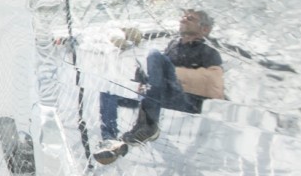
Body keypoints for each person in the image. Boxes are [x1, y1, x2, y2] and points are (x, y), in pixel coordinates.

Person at [94, 9, 225, 165]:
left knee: (154, 54)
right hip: (158, 97)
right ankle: (110, 140)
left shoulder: (209, 53)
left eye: (190, 18)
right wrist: (144, 81)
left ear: (204, 29)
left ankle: (148, 124)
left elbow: (214, 86)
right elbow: (156, 72)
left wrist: (165, 75)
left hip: (186, 101)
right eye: (182, 16)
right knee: (109, 93)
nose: (183, 19)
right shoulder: (173, 46)